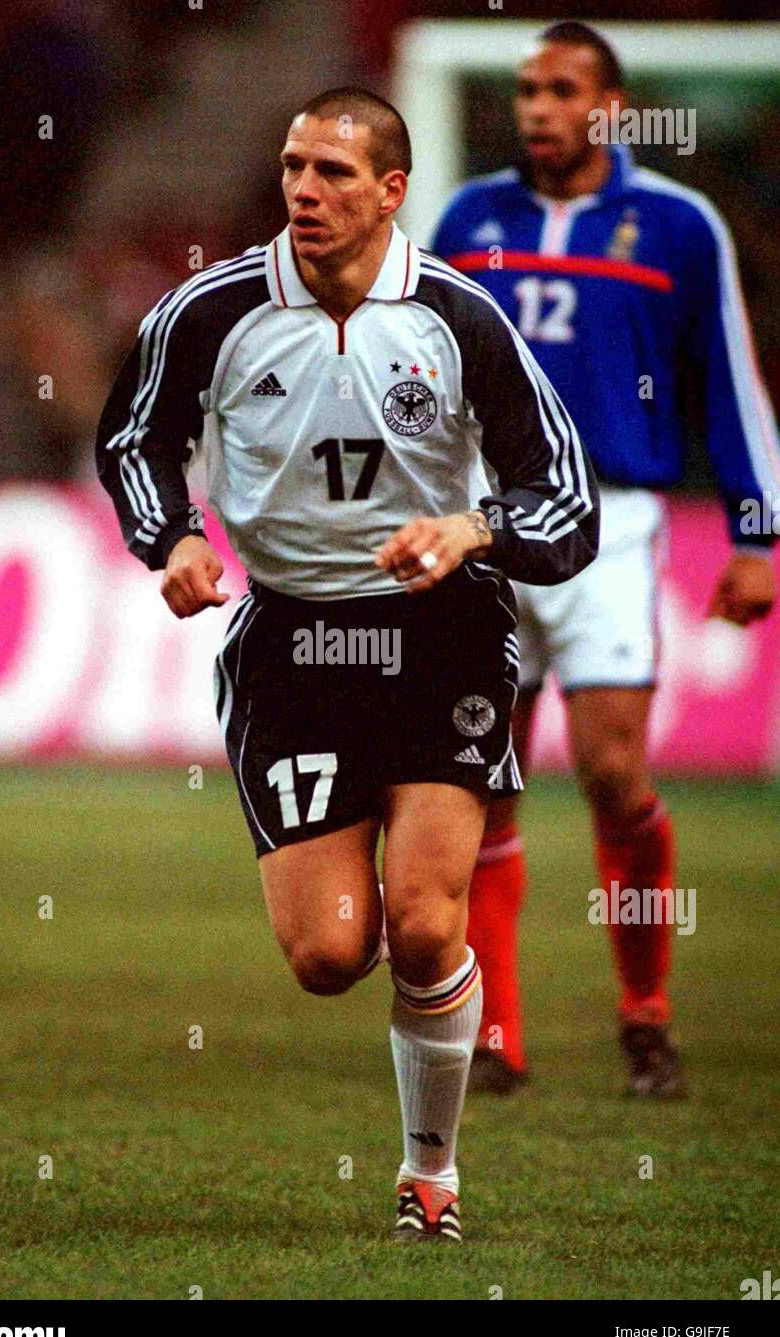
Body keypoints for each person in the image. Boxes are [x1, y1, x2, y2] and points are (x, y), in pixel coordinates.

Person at [96, 87, 598, 1238]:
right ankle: (405, 1003)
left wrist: (472, 529)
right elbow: (133, 439)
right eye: (292, 167)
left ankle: (430, 1174)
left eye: (331, 172)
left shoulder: (458, 318)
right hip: (292, 644)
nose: (303, 191)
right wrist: (171, 539)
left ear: (389, 190)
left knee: (423, 922)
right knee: (329, 953)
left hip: (440, 634)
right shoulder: (211, 310)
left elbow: (561, 497)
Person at [431, 22, 779, 1099]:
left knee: (614, 775)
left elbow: (726, 377)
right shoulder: (468, 219)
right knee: (482, 785)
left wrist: (756, 533)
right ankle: (496, 1036)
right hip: (483, 524)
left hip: (610, 524)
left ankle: (644, 1015)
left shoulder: (675, 225)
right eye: (527, 89)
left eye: (560, 89)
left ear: (612, 107)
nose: (537, 107)